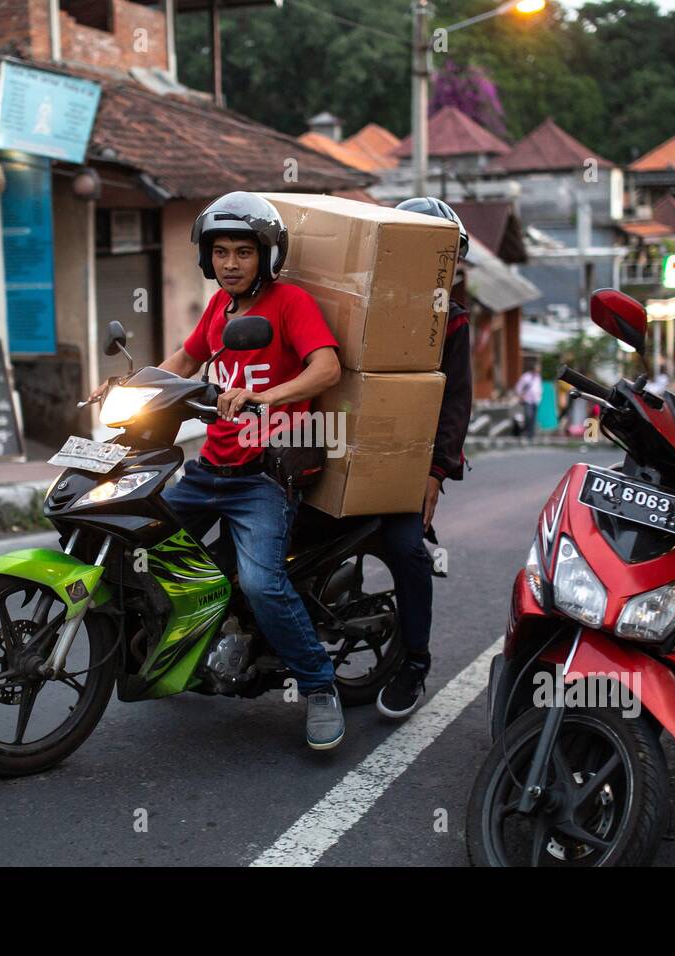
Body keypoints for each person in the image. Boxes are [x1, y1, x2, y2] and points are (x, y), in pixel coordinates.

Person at [156, 192, 347, 750]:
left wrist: (266, 396)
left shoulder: (291, 303)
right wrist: (133, 386)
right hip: (210, 466)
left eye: (243, 252)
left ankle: (318, 686)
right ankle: (194, 642)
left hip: (265, 475)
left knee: (263, 582)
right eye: (220, 252)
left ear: (267, 256)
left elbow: (327, 367)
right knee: (144, 541)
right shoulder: (220, 309)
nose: (231, 263)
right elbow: (185, 362)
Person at [374, 197, 473, 719]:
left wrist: (435, 474)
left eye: (450, 257)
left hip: (404, 465)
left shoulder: (451, 324)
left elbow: (456, 402)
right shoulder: (362, 307)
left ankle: (414, 661)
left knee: (406, 549)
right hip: (335, 453)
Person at [514, 359, 542, 441]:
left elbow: (539, 388)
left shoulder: (538, 377)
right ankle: (526, 432)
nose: (538, 369)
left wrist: (539, 398)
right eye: (537, 368)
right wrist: (521, 395)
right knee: (528, 416)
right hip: (527, 400)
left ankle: (531, 435)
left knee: (533, 418)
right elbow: (518, 387)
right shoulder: (526, 377)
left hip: (535, 400)